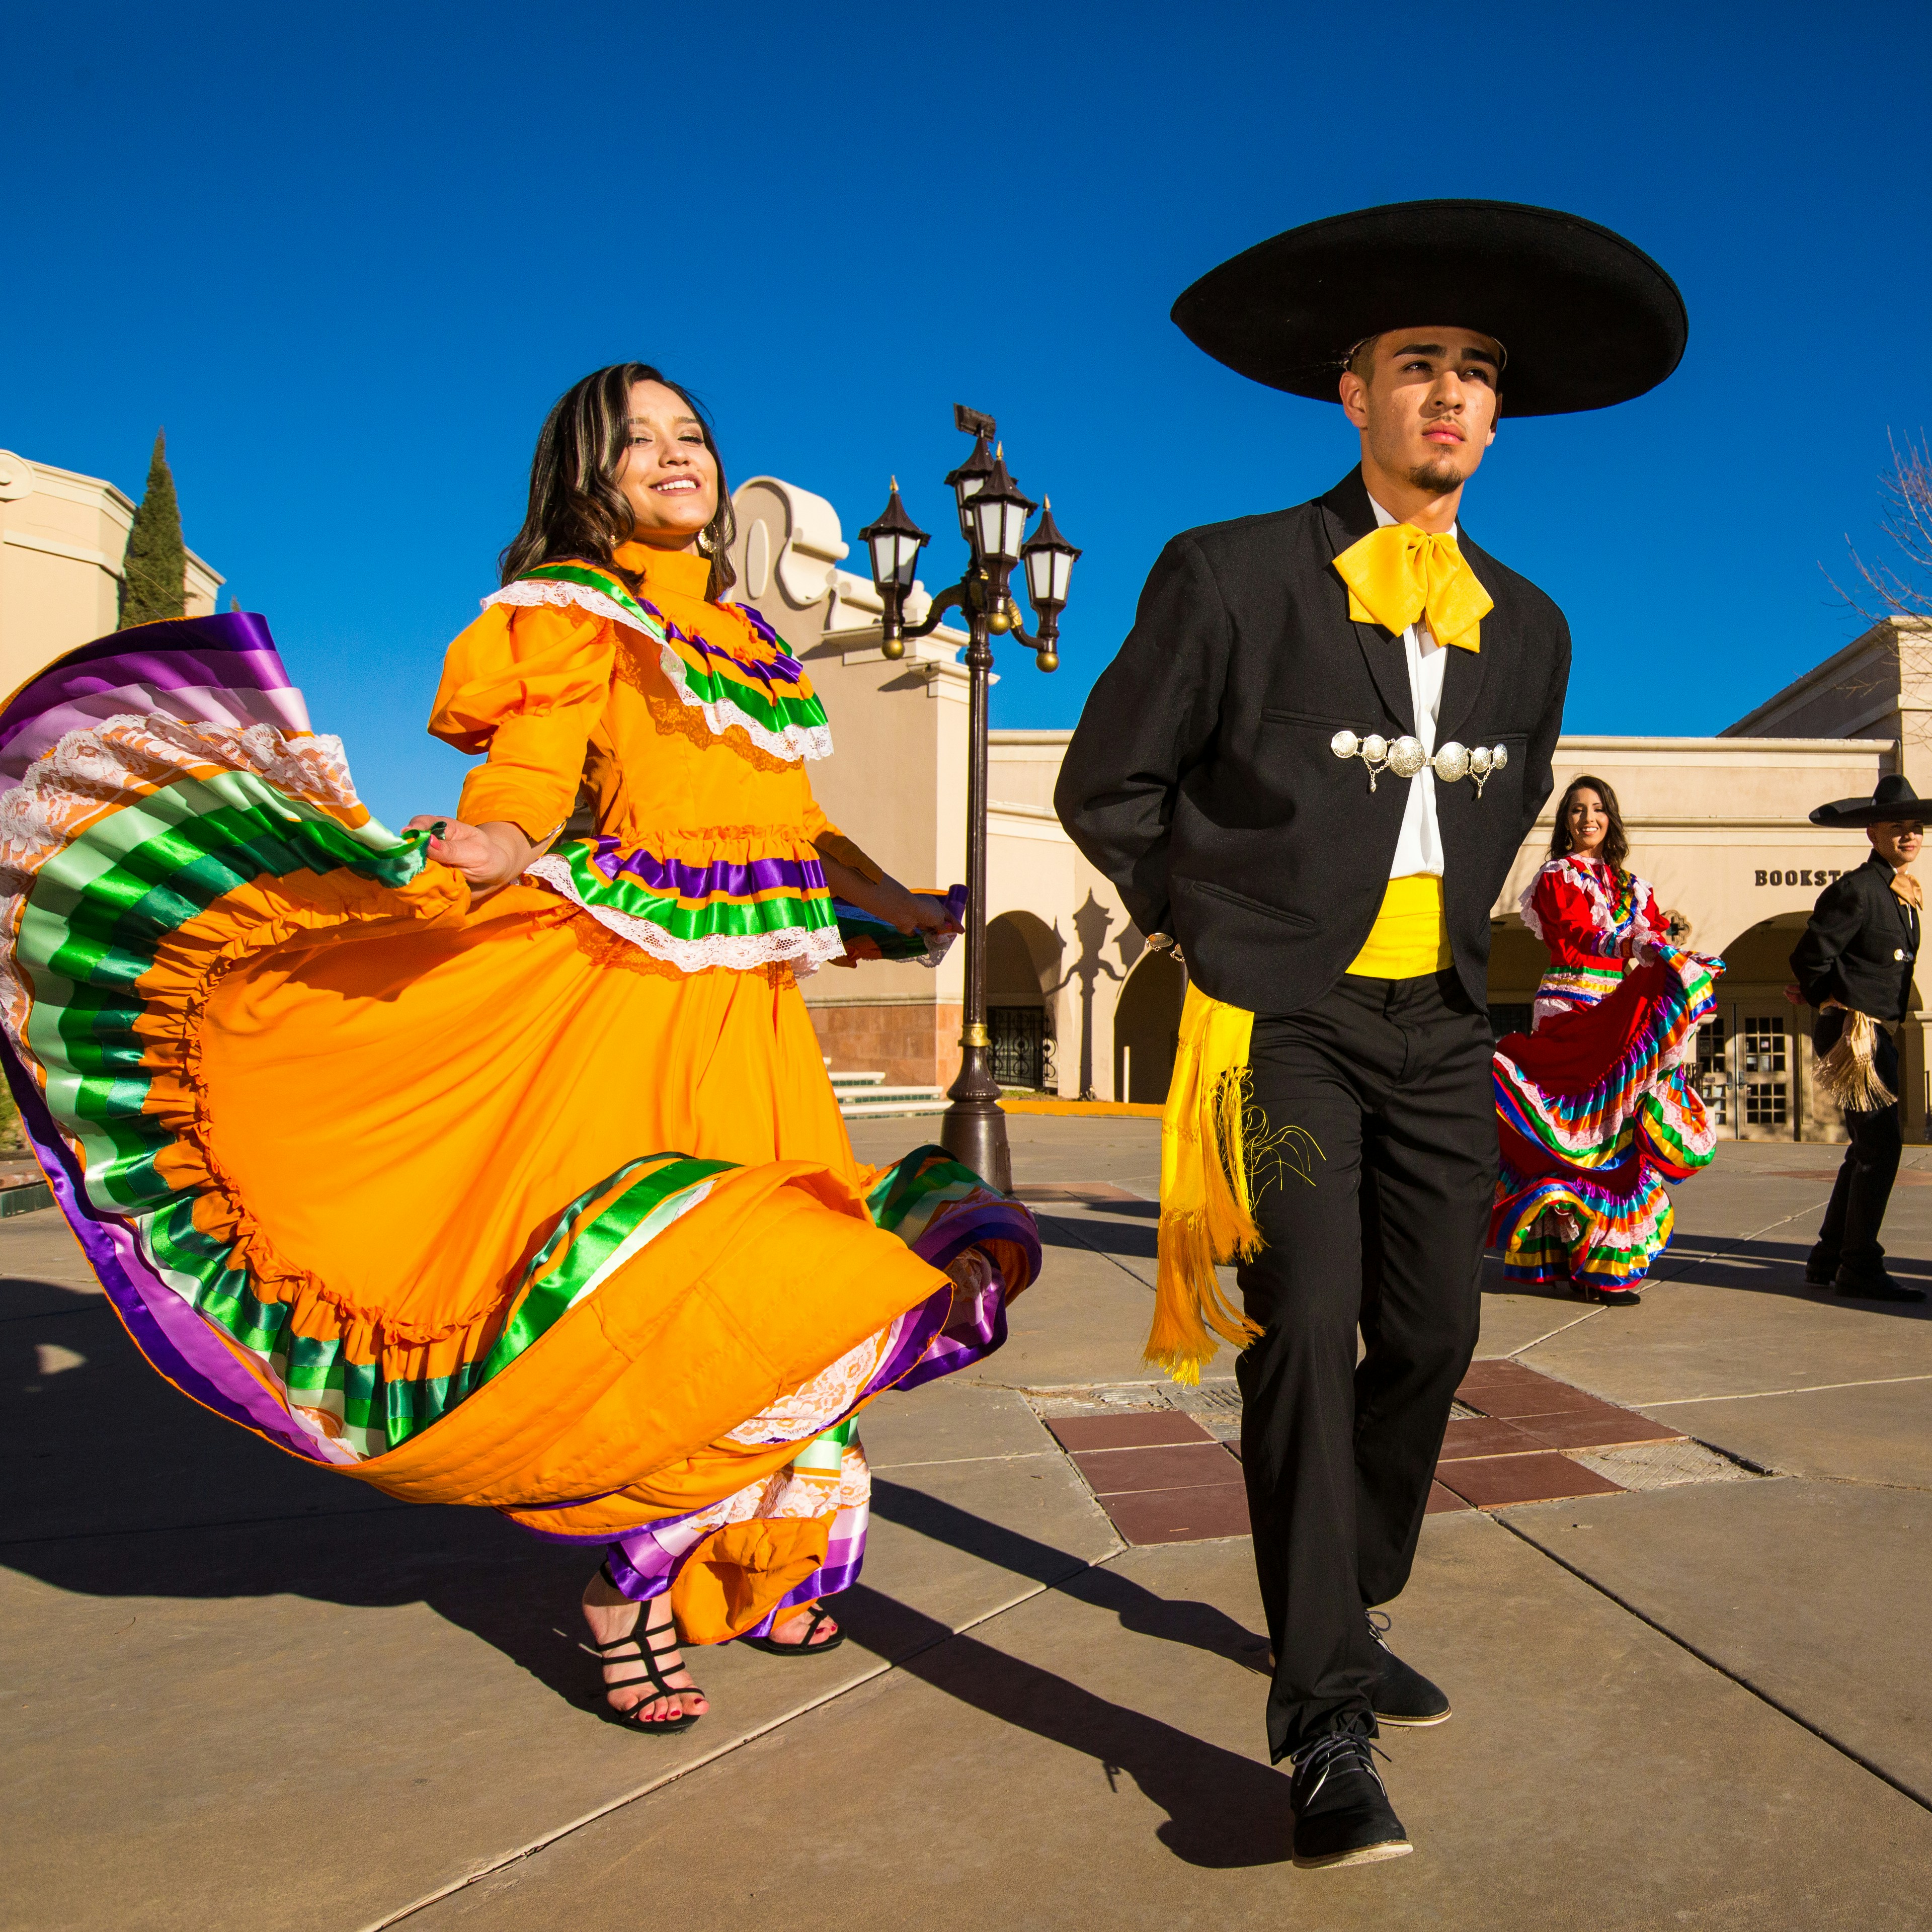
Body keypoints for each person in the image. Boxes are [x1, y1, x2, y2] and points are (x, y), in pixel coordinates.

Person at [0, 361, 1038, 1735]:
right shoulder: (570, 617)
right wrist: (447, 857)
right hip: (617, 1021)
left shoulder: (742, 641)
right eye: (637, 441)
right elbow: (525, 802)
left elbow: (780, 831)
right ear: (585, 477)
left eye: (693, 433)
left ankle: (755, 1552)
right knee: (647, 1298)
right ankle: (628, 1593)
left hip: (750, 1029)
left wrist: (895, 902)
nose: (676, 455)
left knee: (780, 1291)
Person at [1057, 200, 1685, 1868]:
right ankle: (1320, 1715)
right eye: (1421, 366)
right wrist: (1216, 926)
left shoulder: (1531, 627)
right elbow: (1104, 784)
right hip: (1280, 1035)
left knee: (1435, 1336)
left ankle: (1352, 1577)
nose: (1454, 398)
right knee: (1309, 1324)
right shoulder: (1230, 571)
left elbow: (1497, 819)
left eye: (1480, 373)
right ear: (1353, 392)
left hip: (1437, 1030)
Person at [1491, 775, 1723, 1306]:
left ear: (1611, 819)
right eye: (1576, 810)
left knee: (1622, 1135)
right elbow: (1577, 935)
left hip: (1621, 1010)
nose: (1587, 818)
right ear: (1565, 821)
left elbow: (1655, 932)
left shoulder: (1633, 884)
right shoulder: (1556, 876)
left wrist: (1666, 950)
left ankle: (1603, 1260)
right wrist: (1638, 943)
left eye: (1597, 809)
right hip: (1572, 1006)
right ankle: (1572, 1257)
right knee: (1578, 1136)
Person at [1787, 773, 1926, 1302]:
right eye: (1898, 828)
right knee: (1881, 1148)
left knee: (1868, 1148)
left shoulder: (1899, 891)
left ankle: (1830, 1256)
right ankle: (1858, 1266)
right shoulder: (1858, 890)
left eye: (1916, 829)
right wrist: (1828, 996)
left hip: (1876, 1030)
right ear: (1873, 832)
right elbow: (1809, 956)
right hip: (1855, 1032)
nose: (1910, 837)